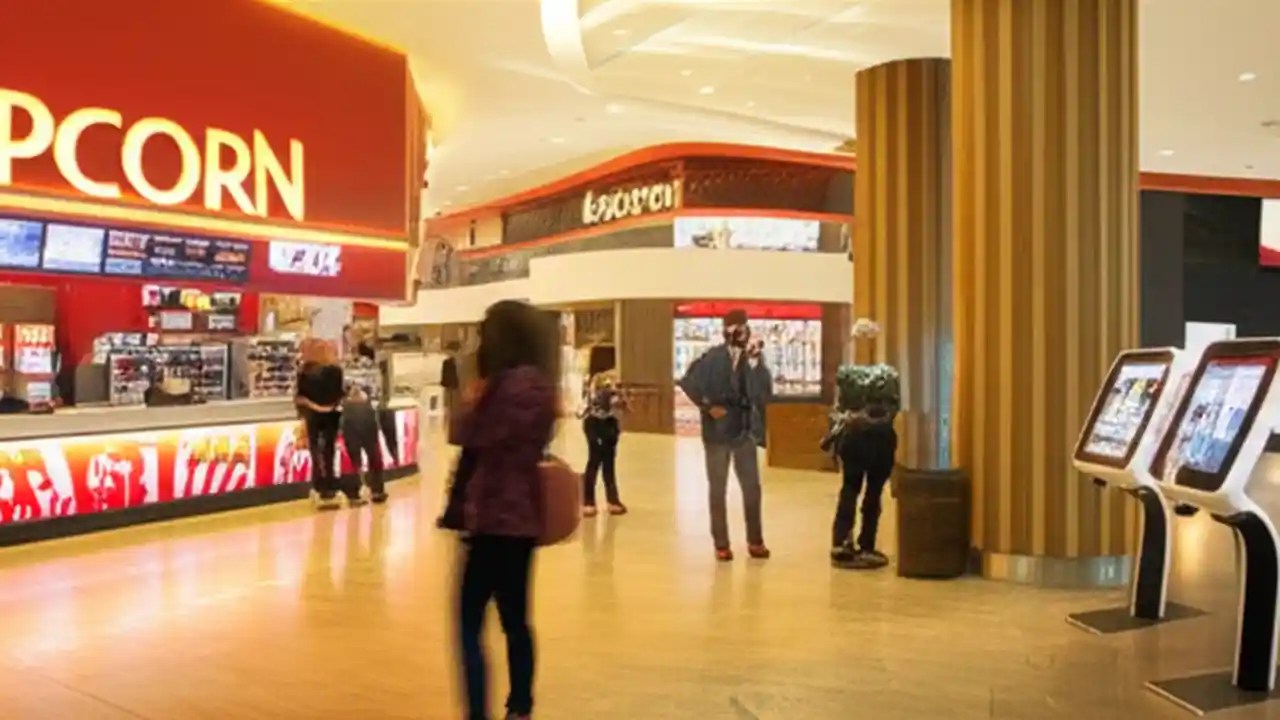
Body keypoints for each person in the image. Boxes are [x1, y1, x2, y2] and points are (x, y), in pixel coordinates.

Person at [454, 300, 557, 720]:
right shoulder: (541, 386)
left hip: (494, 516)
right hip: (522, 517)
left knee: (468, 623)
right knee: (516, 619)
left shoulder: (503, 388)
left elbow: (469, 435)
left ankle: (479, 711)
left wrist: (472, 400)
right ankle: (520, 705)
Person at [678, 308, 771, 562]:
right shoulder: (712, 357)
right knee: (717, 489)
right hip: (717, 433)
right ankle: (721, 544)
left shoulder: (752, 359)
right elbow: (687, 382)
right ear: (726, 331)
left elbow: (763, 392)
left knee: (752, 488)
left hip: (744, 431)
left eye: (745, 328)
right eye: (736, 328)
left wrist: (756, 363)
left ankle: (755, 541)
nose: (742, 333)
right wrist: (707, 406)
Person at [829, 400, 898, 566]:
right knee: (873, 493)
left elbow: (839, 406)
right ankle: (866, 545)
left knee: (850, 489)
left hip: (853, 433)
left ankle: (842, 541)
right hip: (881, 435)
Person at [296, 339, 354, 509]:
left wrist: (314, 406)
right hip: (332, 415)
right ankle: (330, 485)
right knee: (329, 450)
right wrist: (329, 407)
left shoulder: (305, 371)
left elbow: (300, 396)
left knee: (315, 451)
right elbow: (340, 393)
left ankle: (319, 485)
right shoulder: (336, 370)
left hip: (313, 416)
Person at [579, 369, 627, 517]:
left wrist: (620, 399)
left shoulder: (615, 391)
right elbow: (582, 409)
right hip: (593, 423)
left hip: (609, 424)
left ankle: (612, 500)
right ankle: (588, 501)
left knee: (609, 463)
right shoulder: (591, 388)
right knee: (594, 461)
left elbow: (622, 406)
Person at [341, 384, 387, 504]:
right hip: (362, 430)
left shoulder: (347, 405)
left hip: (358, 430)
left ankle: (357, 494)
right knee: (368, 460)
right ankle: (373, 491)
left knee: (358, 462)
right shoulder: (366, 403)